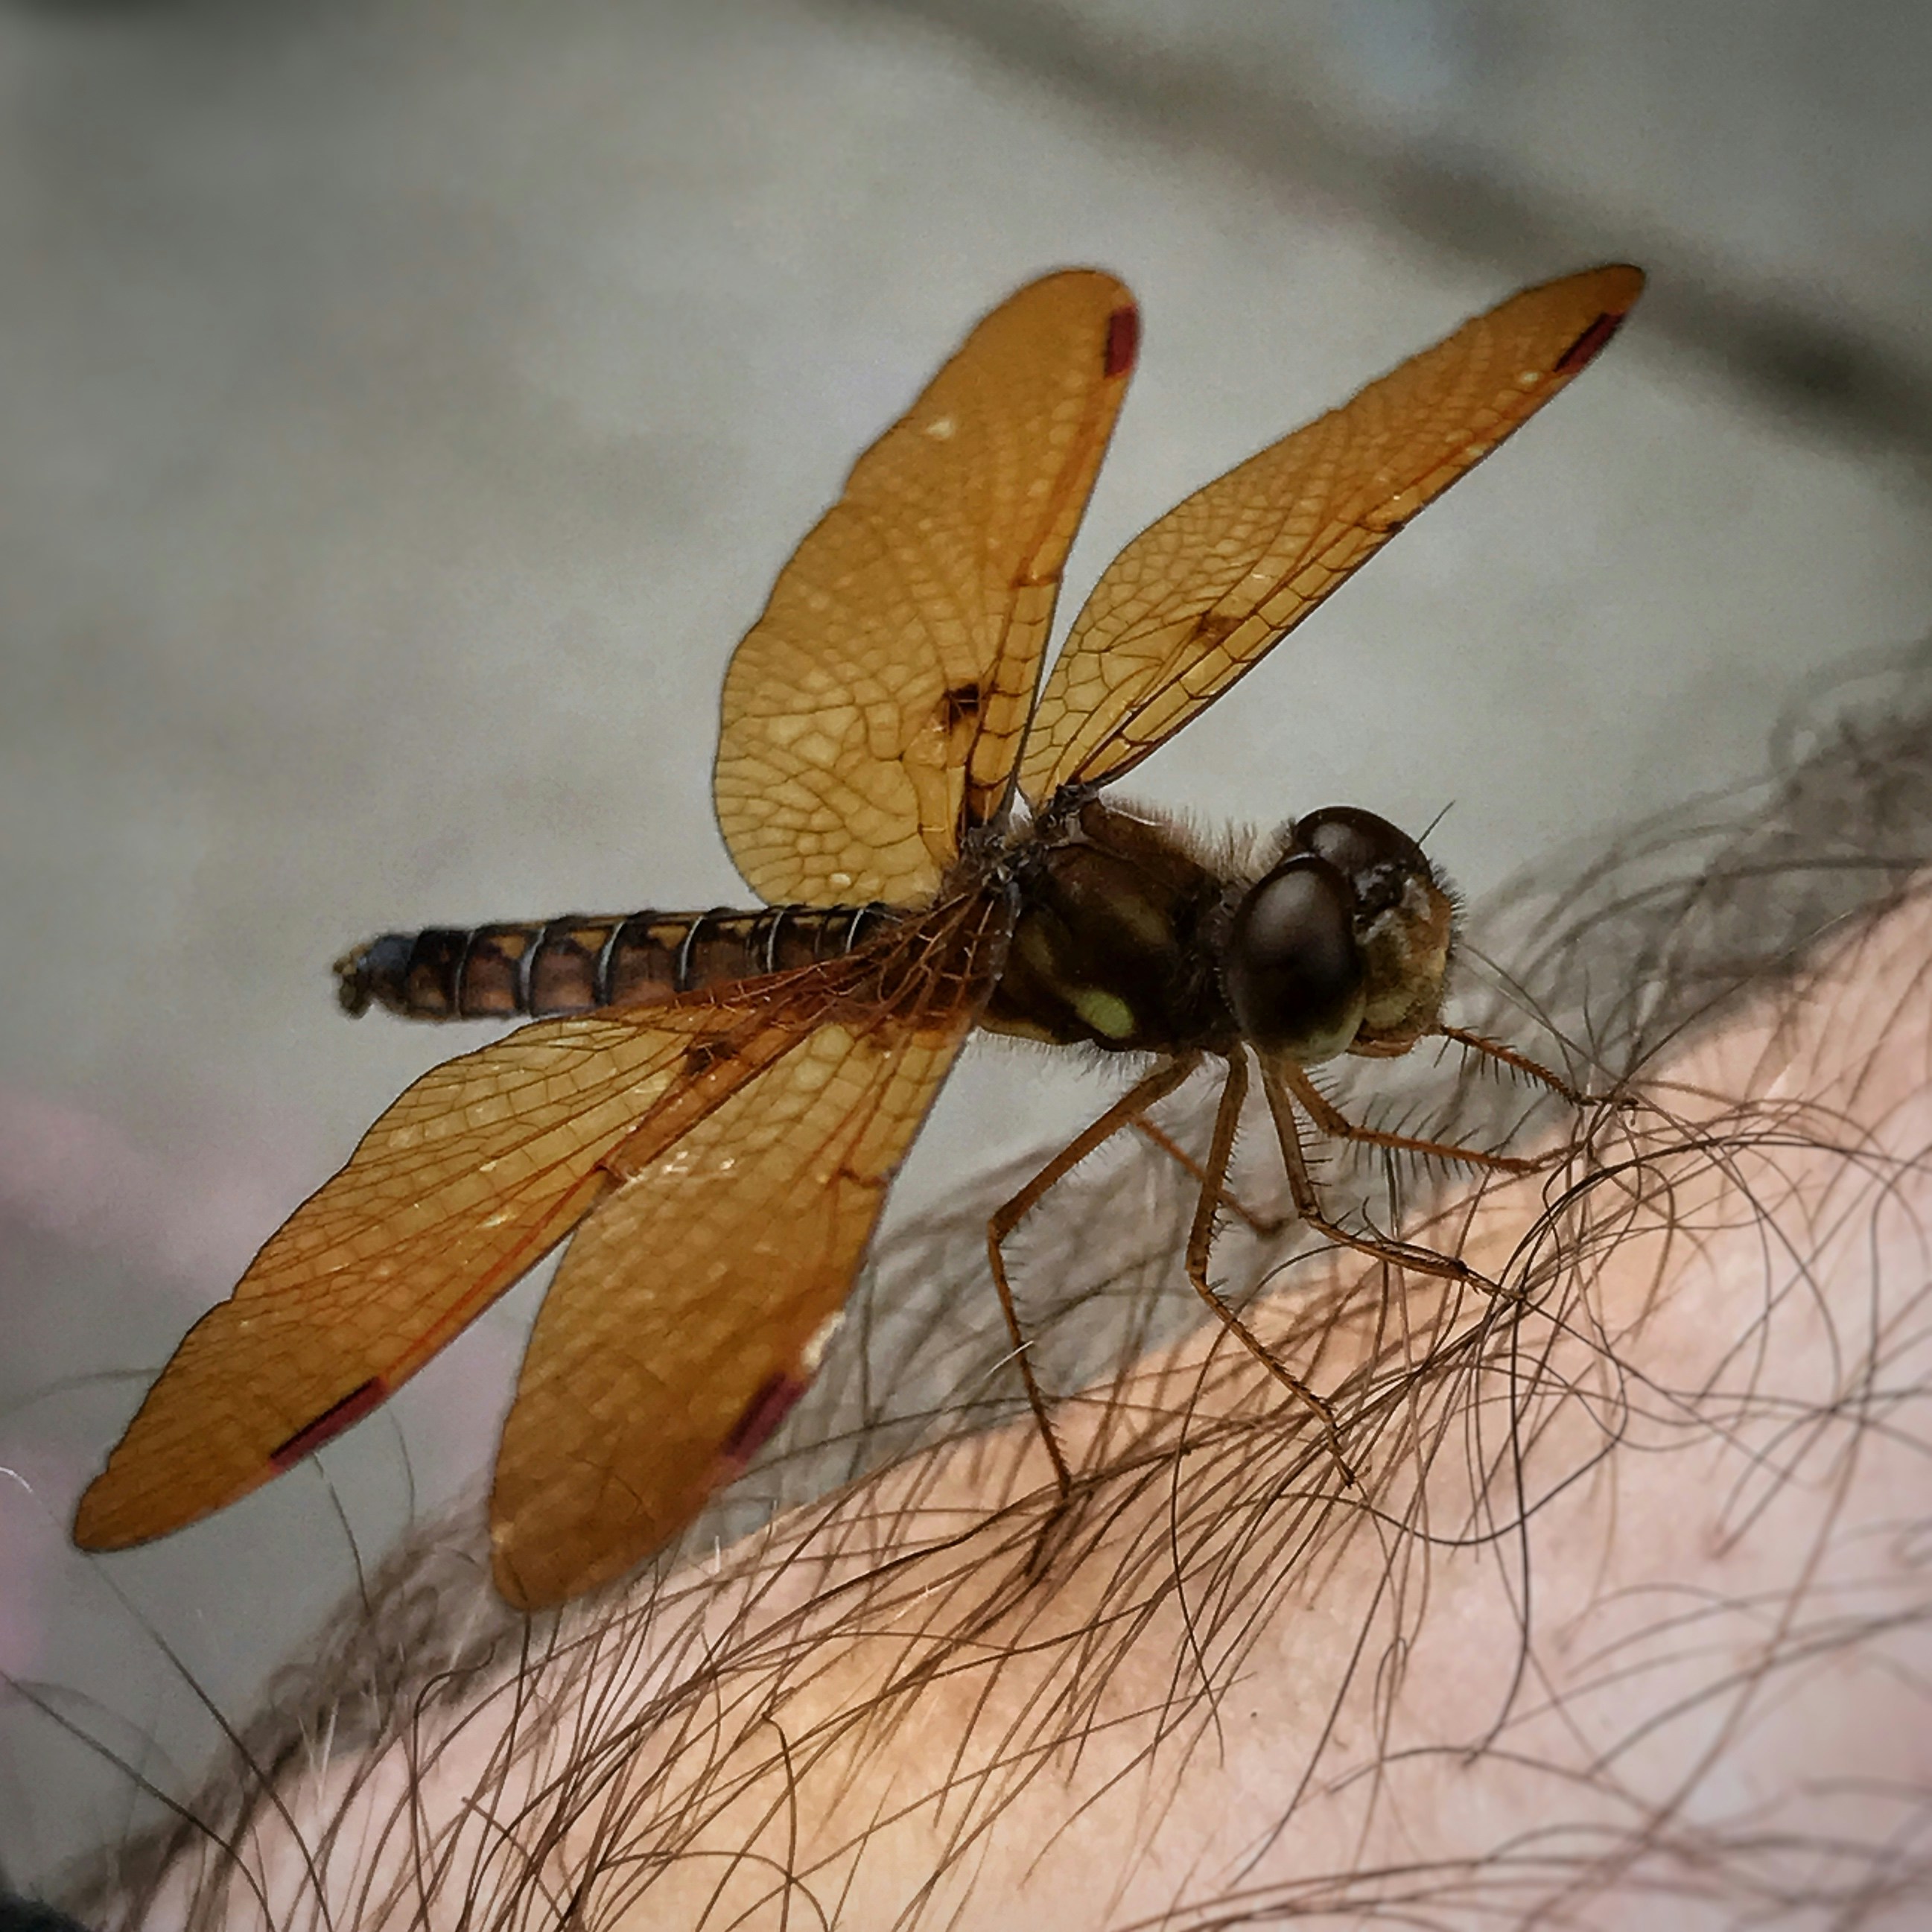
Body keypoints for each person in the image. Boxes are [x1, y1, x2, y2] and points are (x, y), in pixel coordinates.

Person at [54, 655, 1932, 1931]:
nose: (1360, 944)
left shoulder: (1228, 956)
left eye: (1340, 906)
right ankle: (419, 973)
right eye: (1327, 950)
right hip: (689, 967)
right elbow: (1205, 1238)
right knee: (1143, 1235)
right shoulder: (1190, 999)